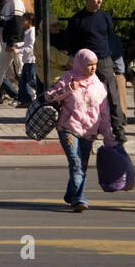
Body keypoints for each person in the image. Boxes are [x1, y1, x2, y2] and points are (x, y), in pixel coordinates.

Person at [45, 49, 115, 212]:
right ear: (80, 63)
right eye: (89, 64)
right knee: (76, 163)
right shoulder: (68, 78)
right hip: (69, 128)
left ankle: (71, 194)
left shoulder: (99, 86)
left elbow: (104, 115)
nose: (92, 68)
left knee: (81, 166)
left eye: (95, 65)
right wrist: (68, 89)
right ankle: (79, 199)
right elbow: (49, 96)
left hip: (89, 132)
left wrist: (108, 137)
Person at [62, 0, 126, 144]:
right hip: (85, 64)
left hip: (104, 61)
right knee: (86, 97)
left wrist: (114, 61)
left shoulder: (105, 17)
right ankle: (89, 127)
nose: (100, 1)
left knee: (111, 95)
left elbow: (110, 37)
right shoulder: (77, 20)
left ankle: (118, 128)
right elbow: (71, 44)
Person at [16, 12, 39, 106]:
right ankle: (25, 100)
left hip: (31, 60)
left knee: (30, 82)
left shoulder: (32, 32)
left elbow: (31, 47)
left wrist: (17, 50)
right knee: (23, 81)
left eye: (24, 20)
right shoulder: (28, 32)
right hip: (27, 60)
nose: (22, 22)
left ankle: (31, 100)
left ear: (29, 21)